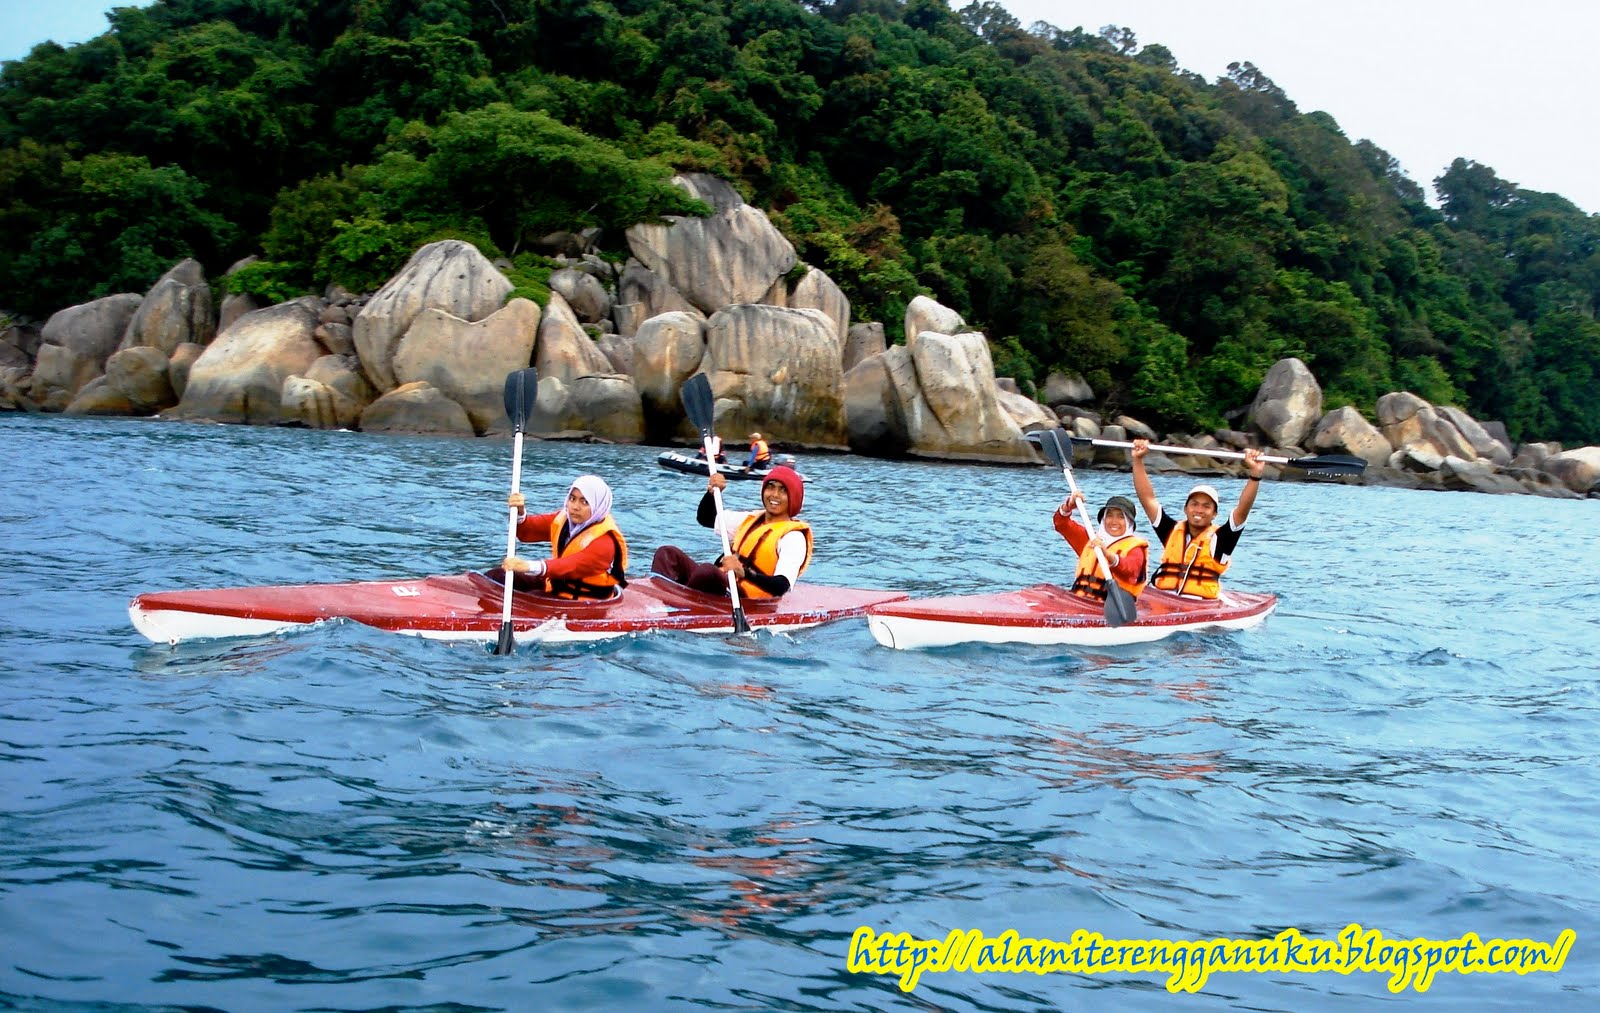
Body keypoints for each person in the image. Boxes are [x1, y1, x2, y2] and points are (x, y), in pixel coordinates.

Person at [1130, 438, 1264, 599]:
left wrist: (1255, 475)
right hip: (1163, 598)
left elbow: (1242, 511)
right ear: (1186, 509)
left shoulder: (1220, 540)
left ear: (1214, 513)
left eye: (1206, 506)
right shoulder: (1172, 531)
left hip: (1198, 602)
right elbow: (1147, 499)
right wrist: (1137, 459)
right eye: (1194, 504)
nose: (1199, 510)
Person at [651, 465, 811, 598]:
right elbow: (706, 518)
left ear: (793, 498)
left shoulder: (793, 538)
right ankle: (659, 600)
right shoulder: (752, 519)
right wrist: (712, 493)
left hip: (746, 598)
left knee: (707, 572)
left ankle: (681, 606)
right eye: (770, 487)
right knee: (667, 554)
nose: (774, 494)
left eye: (783, 490)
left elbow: (781, 586)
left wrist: (745, 573)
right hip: (724, 584)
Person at [488, 475, 628, 599]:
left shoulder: (605, 542)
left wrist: (527, 566)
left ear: (598, 506)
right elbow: (527, 531)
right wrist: (519, 512)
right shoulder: (564, 520)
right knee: (497, 575)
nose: (575, 507)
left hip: (581, 600)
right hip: (555, 585)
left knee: (528, 599)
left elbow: (570, 566)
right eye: (572, 499)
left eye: (584, 502)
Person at [1054, 493, 1148, 603]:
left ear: (1129, 522)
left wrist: (1108, 555)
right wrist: (1068, 506)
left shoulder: (1135, 549)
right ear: (1104, 518)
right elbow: (1061, 524)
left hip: (1113, 607)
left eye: (1121, 517)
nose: (1114, 521)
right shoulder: (1090, 540)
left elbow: (1131, 570)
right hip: (1080, 602)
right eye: (1110, 515)